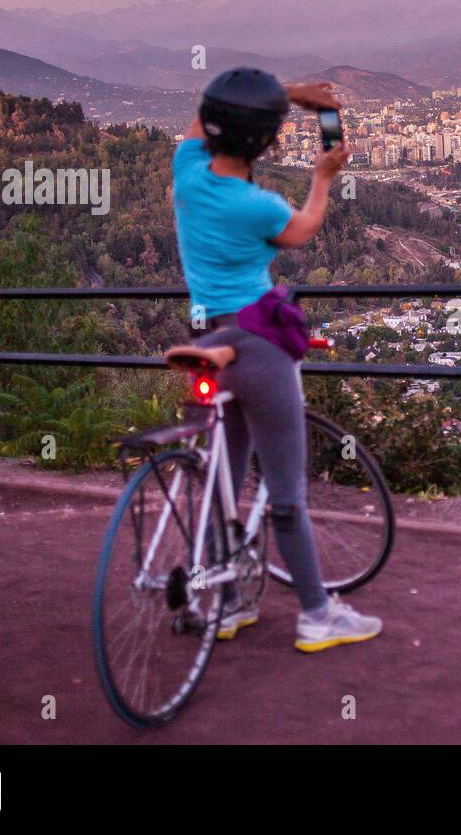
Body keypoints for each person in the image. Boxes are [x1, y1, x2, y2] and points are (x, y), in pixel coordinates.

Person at [171, 67, 381, 653]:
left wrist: (280, 97)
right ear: (265, 142)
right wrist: (322, 176)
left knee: (222, 483)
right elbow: (305, 229)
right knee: (286, 494)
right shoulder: (254, 204)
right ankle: (317, 615)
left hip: (211, 338)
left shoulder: (186, 173)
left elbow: (205, 117)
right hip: (258, 347)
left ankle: (231, 601)